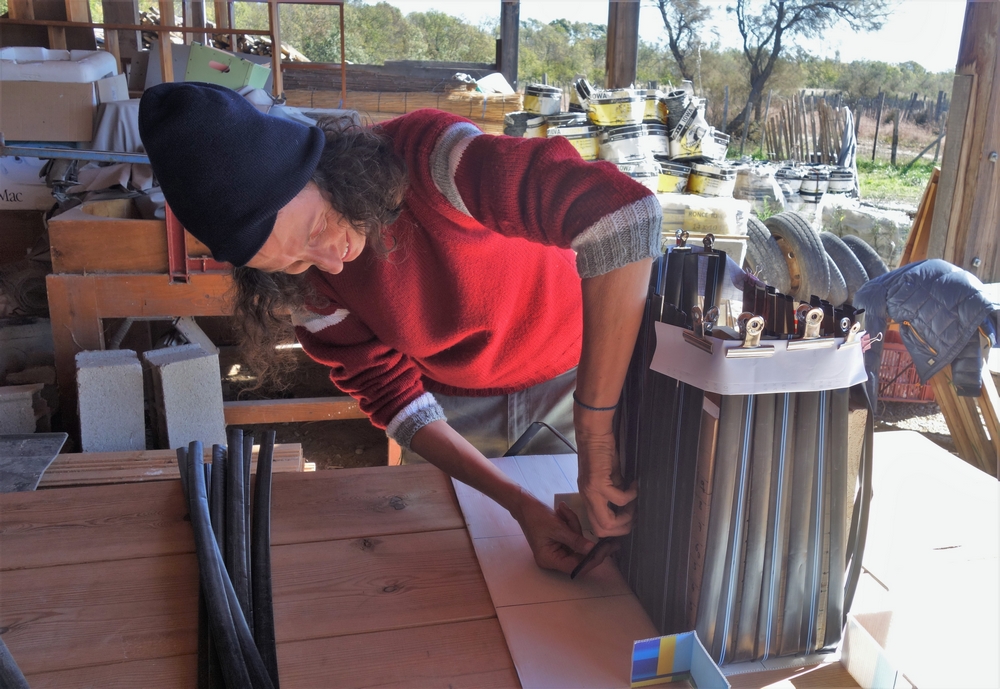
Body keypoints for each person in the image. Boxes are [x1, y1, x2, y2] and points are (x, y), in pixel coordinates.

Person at [138, 82, 662, 575]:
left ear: (322, 169)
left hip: (579, 381)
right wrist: (518, 505)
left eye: (317, 228)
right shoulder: (301, 281)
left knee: (614, 554)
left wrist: (595, 435)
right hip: (453, 411)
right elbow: (391, 394)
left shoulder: (430, 161)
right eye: (294, 261)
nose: (332, 263)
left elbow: (625, 218)